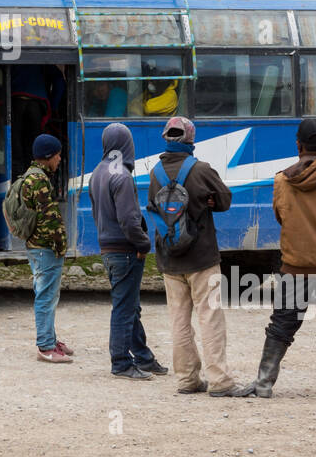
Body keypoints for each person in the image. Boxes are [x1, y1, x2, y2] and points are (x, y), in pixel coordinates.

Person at [249, 118, 316, 402]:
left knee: (282, 324)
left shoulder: (282, 181)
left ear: (298, 145)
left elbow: (281, 217)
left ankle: (263, 383)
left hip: (295, 267)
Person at [148, 117, 253, 398]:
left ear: (166, 138)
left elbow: (153, 209)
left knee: (179, 321)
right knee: (210, 318)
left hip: (170, 258)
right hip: (202, 257)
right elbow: (225, 199)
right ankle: (219, 381)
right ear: (190, 139)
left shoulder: (155, 172)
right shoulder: (201, 169)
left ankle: (186, 379)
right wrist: (208, 201)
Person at [90, 122, 167, 380]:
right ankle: (121, 363)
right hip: (125, 251)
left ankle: (143, 358)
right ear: (126, 145)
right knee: (124, 308)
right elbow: (129, 220)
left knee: (130, 306)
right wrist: (144, 243)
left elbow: (97, 214)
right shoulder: (121, 176)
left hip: (109, 248)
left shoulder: (98, 173)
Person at [20, 133, 73, 364]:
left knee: (49, 295)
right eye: (58, 155)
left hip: (37, 246)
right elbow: (50, 219)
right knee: (45, 297)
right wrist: (61, 246)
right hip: (45, 248)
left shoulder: (30, 177)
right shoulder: (40, 182)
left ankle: (51, 339)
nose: (60, 159)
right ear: (48, 156)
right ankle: (45, 346)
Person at [10, 64, 65, 178]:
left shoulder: (9, 49)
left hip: (14, 101)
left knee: (15, 144)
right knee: (34, 146)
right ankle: (34, 177)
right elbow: (59, 80)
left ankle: (18, 179)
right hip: (37, 102)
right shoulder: (40, 54)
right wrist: (54, 106)